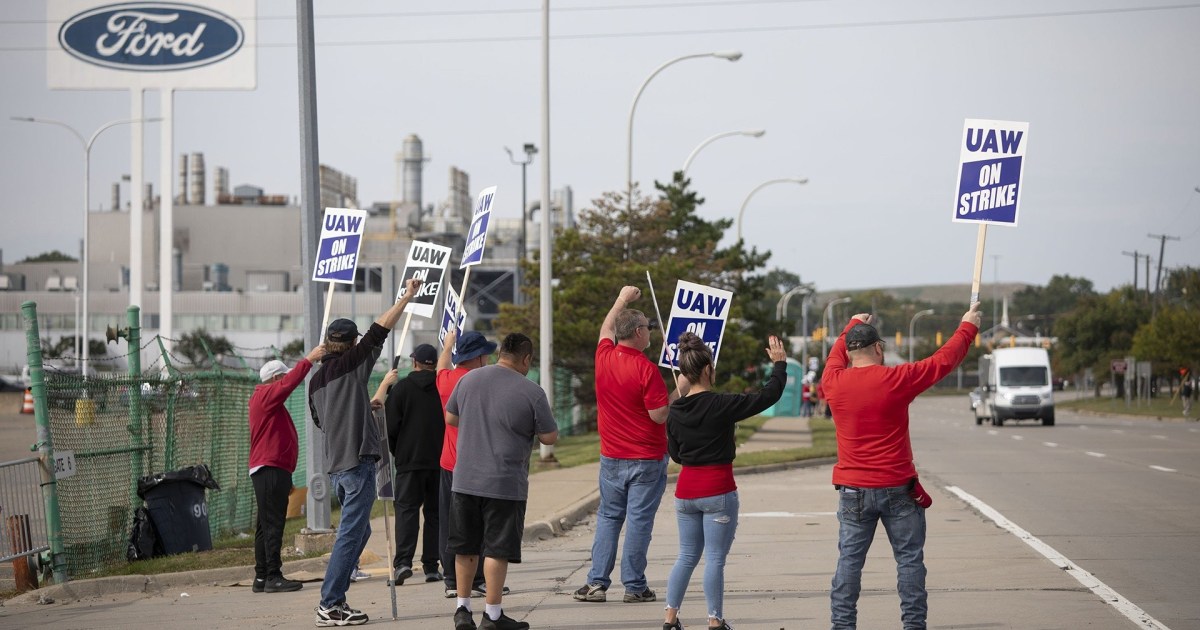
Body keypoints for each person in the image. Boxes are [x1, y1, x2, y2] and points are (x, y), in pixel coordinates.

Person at [822, 303, 981, 630]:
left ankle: (842, 626)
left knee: (849, 565)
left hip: (853, 491)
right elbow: (942, 361)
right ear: (879, 348)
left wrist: (850, 326)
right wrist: (968, 326)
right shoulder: (896, 379)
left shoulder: (833, 382)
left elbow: (834, 356)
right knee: (909, 563)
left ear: (850, 354)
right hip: (898, 489)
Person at [308, 277, 421, 628]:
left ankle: (336, 593)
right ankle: (331, 603)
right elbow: (380, 329)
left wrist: (378, 396)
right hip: (356, 463)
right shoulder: (354, 365)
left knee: (360, 533)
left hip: (337, 465)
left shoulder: (315, 382)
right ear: (353, 343)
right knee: (350, 534)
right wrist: (406, 297)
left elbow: (327, 420)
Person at [662, 332, 788, 630]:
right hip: (717, 490)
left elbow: (676, 454)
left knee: (686, 556)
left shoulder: (675, 410)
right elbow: (767, 395)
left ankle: (669, 618)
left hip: (685, 492)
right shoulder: (722, 404)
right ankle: (715, 620)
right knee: (715, 559)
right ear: (708, 370)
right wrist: (779, 366)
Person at [445, 333, 559, 630]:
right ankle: (492, 615)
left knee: (466, 546)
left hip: (465, 479)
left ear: (499, 354)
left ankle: (462, 610)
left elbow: (451, 418)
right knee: (496, 549)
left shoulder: (468, 380)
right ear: (526, 359)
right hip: (504, 483)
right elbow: (549, 436)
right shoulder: (532, 392)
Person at [575, 285, 678, 604]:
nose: (651, 333)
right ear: (637, 332)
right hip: (646, 458)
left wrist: (620, 298)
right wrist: (682, 388)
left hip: (612, 457)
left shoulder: (603, 355)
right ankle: (634, 585)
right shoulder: (645, 369)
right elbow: (659, 415)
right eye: (648, 327)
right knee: (638, 522)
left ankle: (596, 583)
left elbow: (606, 327)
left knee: (608, 518)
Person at [248, 347, 323, 594]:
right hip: (270, 468)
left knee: (265, 525)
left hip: (272, 469)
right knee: (273, 525)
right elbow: (288, 385)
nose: (285, 381)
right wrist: (309, 360)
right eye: (283, 377)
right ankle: (272, 575)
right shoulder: (266, 395)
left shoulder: (267, 400)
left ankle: (262, 577)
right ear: (275, 379)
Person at [437, 328, 498, 599]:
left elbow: (440, 367)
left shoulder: (447, 381)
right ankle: (479, 579)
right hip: (479, 462)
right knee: (482, 523)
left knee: (451, 522)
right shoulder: (484, 383)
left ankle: (451, 579)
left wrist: (447, 345)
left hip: (450, 463)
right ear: (479, 357)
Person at [382, 343, 446, 584]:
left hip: (409, 461)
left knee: (406, 511)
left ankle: (403, 563)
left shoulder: (401, 389)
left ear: (415, 362)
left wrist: (399, 451)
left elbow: (390, 428)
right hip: (439, 461)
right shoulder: (442, 387)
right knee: (435, 514)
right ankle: (431, 565)